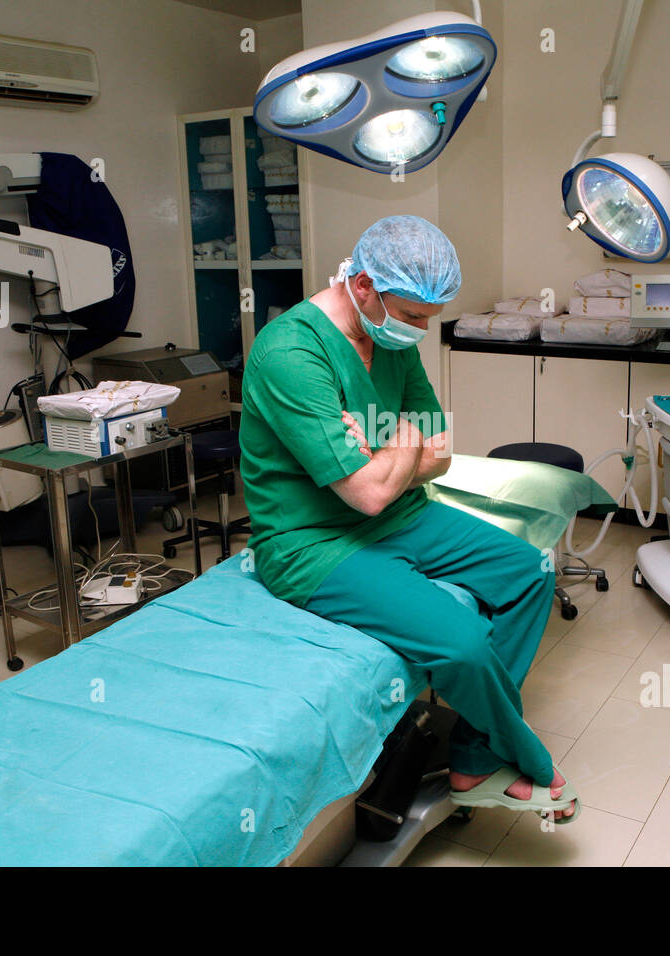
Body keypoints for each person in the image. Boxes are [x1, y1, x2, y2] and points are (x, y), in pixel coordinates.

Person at [239, 215, 578, 821]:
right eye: (414, 315)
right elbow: (366, 495)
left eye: (429, 318)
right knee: (464, 643)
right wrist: (401, 441)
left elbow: (438, 453)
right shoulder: (291, 352)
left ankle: (473, 752)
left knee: (532, 572)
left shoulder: (392, 340)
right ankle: (518, 754)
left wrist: (383, 453)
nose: (422, 330)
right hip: (314, 545)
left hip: (405, 515)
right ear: (364, 285)